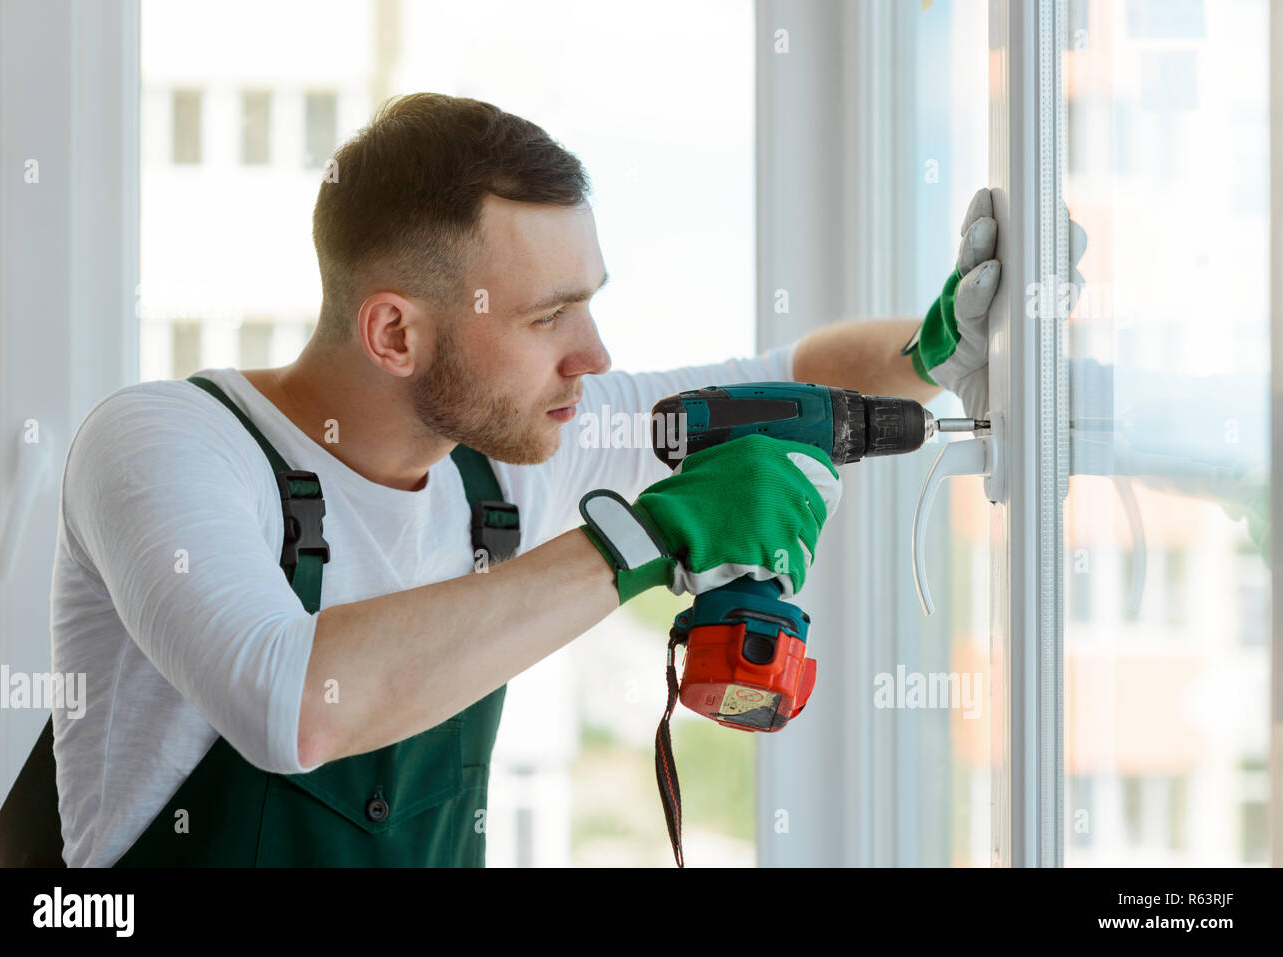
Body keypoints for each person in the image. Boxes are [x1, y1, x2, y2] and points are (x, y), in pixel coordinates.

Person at [48, 93, 999, 867]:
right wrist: (639, 544)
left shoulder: (502, 460)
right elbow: (292, 704)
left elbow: (790, 381)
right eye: (550, 317)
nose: (594, 355)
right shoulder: (162, 444)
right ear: (395, 334)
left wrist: (936, 346)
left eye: (589, 303)